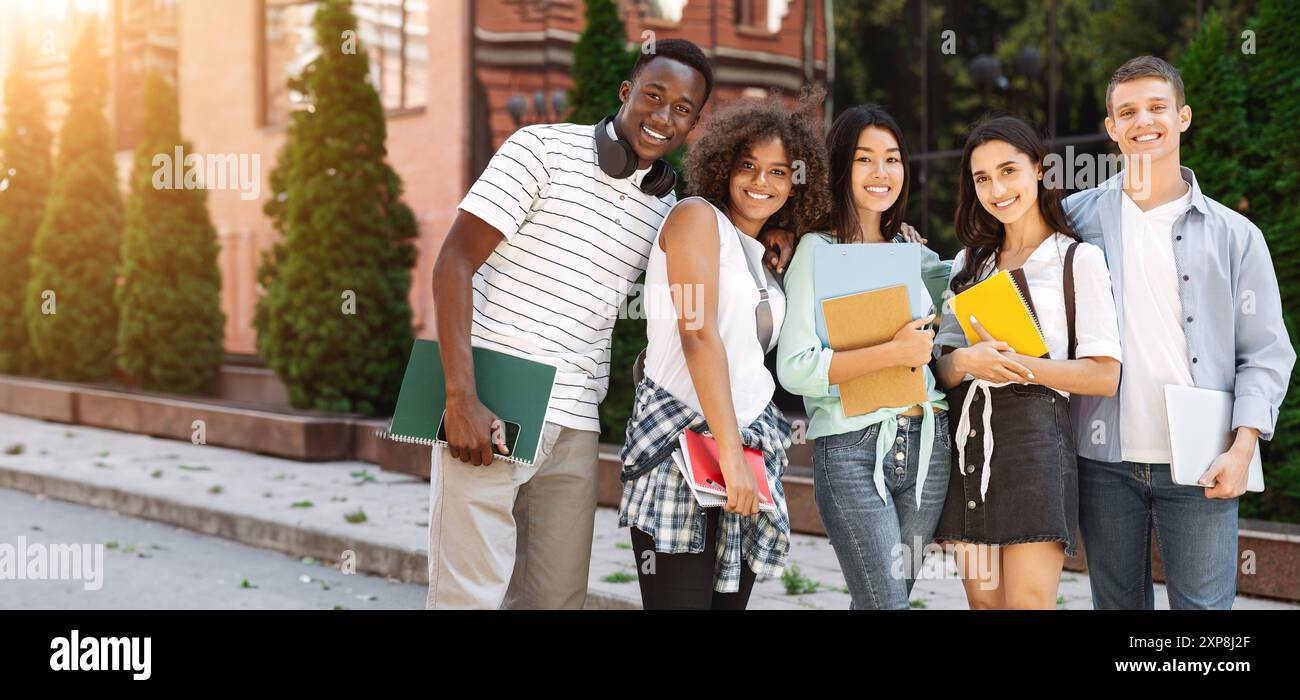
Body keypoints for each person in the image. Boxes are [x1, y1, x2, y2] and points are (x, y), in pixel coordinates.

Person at [426, 39, 796, 610]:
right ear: (626, 93)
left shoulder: (667, 204)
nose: (663, 116)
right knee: (467, 594)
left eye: (682, 109)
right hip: (493, 393)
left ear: (694, 125)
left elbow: (706, 267)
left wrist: (770, 235)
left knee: (555, 599)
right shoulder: (539, 148)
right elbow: (452, 263)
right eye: (653, 96)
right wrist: (459, 395)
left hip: (576, 414)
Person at [1065, 56, 1296, 610]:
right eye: (1128, 111)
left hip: (1202, 459)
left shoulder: (1236, 235)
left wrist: (1244, 448)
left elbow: (1265, 352)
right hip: (1102, 460)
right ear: (1111, 127)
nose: (1143, 120)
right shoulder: (1074, 217)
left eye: (1156, 107)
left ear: (1183, 116)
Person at [618, 92, 830, 609]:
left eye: (779, 172)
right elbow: (697, 333)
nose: (762, 182)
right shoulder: (695, 218)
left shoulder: (764, 255)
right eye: (749, 166)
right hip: (682, 445)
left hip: (750, 445)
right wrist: (729, 454)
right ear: (722, 165)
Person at [932, 115, 1122, 609]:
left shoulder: (1077, 260)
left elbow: (1105, 374)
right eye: (982, 178)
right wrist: (969, 361)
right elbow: (943, 369)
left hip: (1038, 446)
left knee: (1027, 603)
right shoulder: (969, 262)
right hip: (970, 440)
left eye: (1008, 171)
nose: (997, 189)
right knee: (985, 604)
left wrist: (1020, 366)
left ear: (1038, 169)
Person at [776, 104, 953, 609]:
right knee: (886, 605)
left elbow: (963, 305)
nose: (882, 173)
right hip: (852, 451)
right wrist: (893, 351)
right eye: (865, 159)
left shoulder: (912, 253)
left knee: (883, 600)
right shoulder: (815, 250)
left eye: (893, 159)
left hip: (928, 447)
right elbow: (797, 367)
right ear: (840, 168)